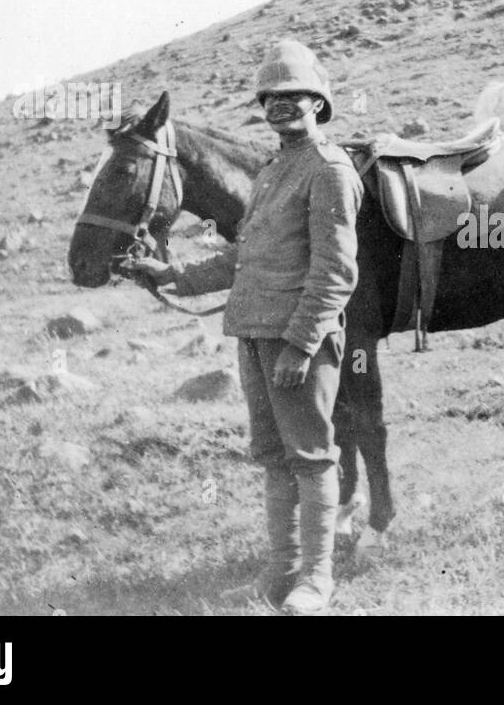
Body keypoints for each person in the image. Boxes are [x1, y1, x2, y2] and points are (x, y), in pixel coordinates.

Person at [127, 39, 362, 615]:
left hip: (296, 341)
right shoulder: (274, 168)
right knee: (273, 457)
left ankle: (317, 581)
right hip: (254, 334)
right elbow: (243, 255)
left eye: (293, 98)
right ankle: (279, 576)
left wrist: (302, 345)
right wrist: (175, 274)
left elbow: (336, 272)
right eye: (271, 100)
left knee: (310, 457)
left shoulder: (329, 170)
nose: (280, 108)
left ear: (318, 103)